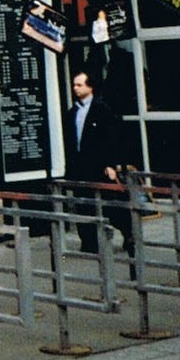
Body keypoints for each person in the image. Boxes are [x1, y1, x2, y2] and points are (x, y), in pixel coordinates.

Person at [64, 72, 135, 254]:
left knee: (110, 203)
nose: (75, 89)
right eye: (74, 85)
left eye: (79, 85)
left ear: (90, 87)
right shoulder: (73, 112)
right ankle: (89, 242)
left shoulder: (101, 109)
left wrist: (111, 164)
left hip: (99, 166)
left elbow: (111, 138)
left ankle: (129, 234)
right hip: (80, 166)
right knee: (83, 204)